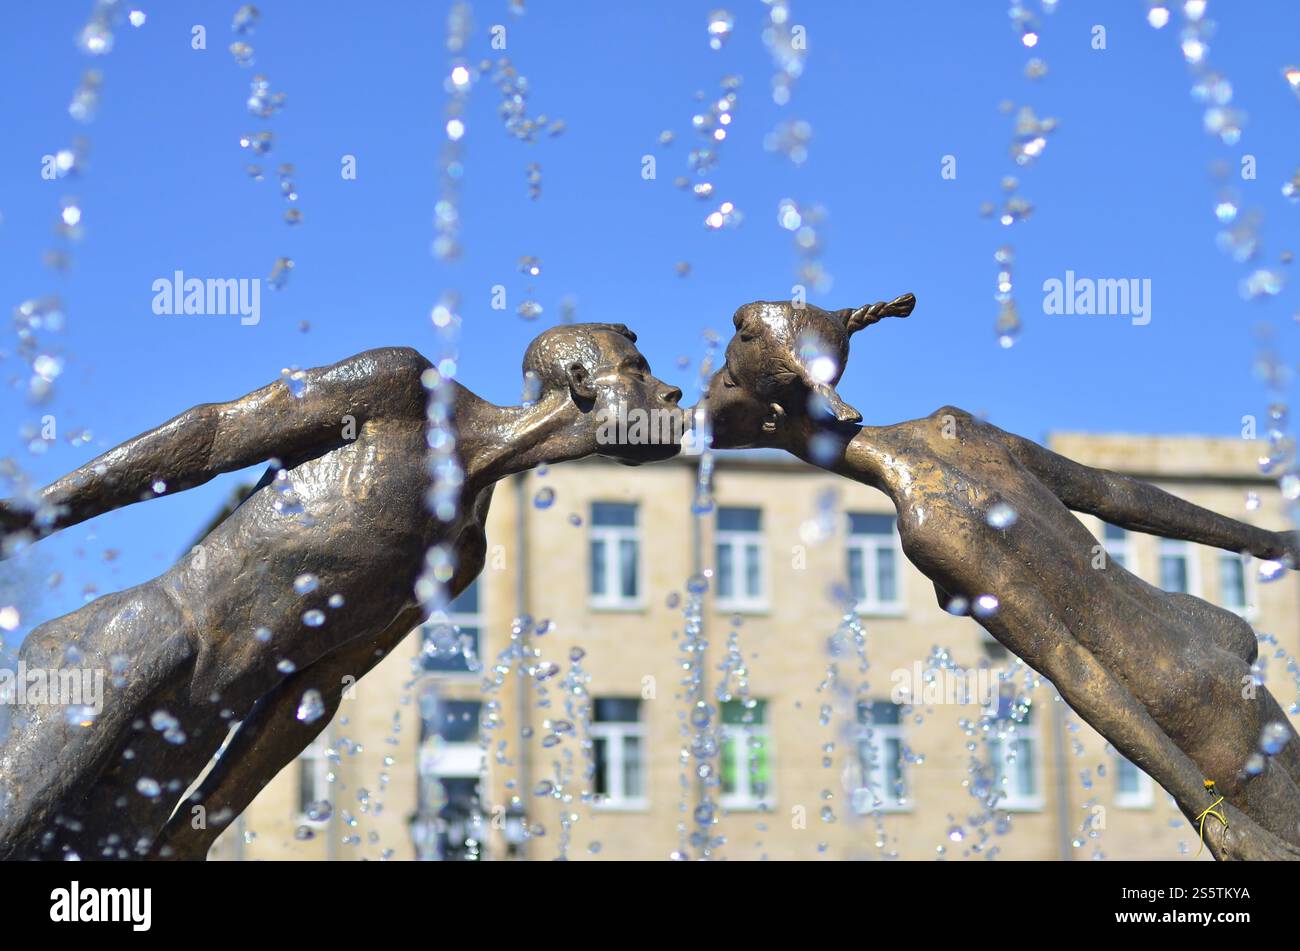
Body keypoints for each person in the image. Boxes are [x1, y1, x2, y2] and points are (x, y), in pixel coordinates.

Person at [0, 324, 683, 860]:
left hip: (186, 737)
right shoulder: (400, 392)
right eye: (639, 373)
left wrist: (200, 825)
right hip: (137, 643)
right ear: (582, 380)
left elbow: (315, 691)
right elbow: (208, 437)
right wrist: (41, 512)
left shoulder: (459, 556)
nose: (669, 394)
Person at [703, 295, 1300, 859]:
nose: (714, 391)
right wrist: (1267, 542)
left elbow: (1070, 663)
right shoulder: (954, 429)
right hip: (1205, 642)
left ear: (775, 416)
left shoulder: (929, 524)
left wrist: (1212, 817)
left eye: (727, 380)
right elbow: (1112, 492)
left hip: (1185, 708)